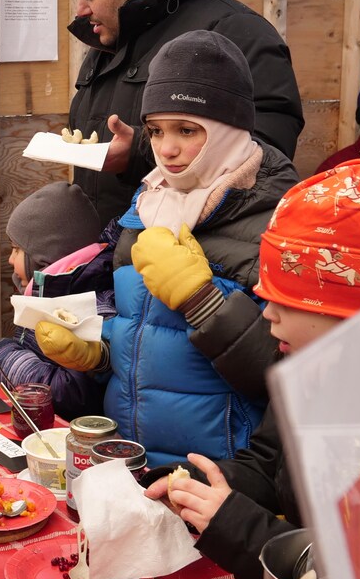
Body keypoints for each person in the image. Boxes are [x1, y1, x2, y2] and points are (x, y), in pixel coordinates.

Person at [143, 157, 360, 579]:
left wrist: (233, 523)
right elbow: (271, 464)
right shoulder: (314, 361)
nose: (267, 314)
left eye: (289, 299)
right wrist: (195, 487)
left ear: (359, 313)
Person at [34, 30, 299, 466]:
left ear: (230, 128)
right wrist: (100, 353)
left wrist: (204, 303)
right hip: (132, 459)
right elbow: (147, 332)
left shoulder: (279, 222)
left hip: (222, 473)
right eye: (155, 130)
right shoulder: (147, 204)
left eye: (187, 130)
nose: (167, 149)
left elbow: (288, 382)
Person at [52, 0, 304, 225]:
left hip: (187, 264)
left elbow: (265, 156)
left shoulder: (237, 32)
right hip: (113, 256)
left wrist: (138, 156)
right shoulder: (108, 40)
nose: (80, 10)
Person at [0, 181, 106, 420]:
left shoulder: (90, 309)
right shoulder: (46, 294)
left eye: (16, 249)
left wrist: (0, 353)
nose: (9, 260)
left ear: (44, 259)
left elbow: (69, 394)